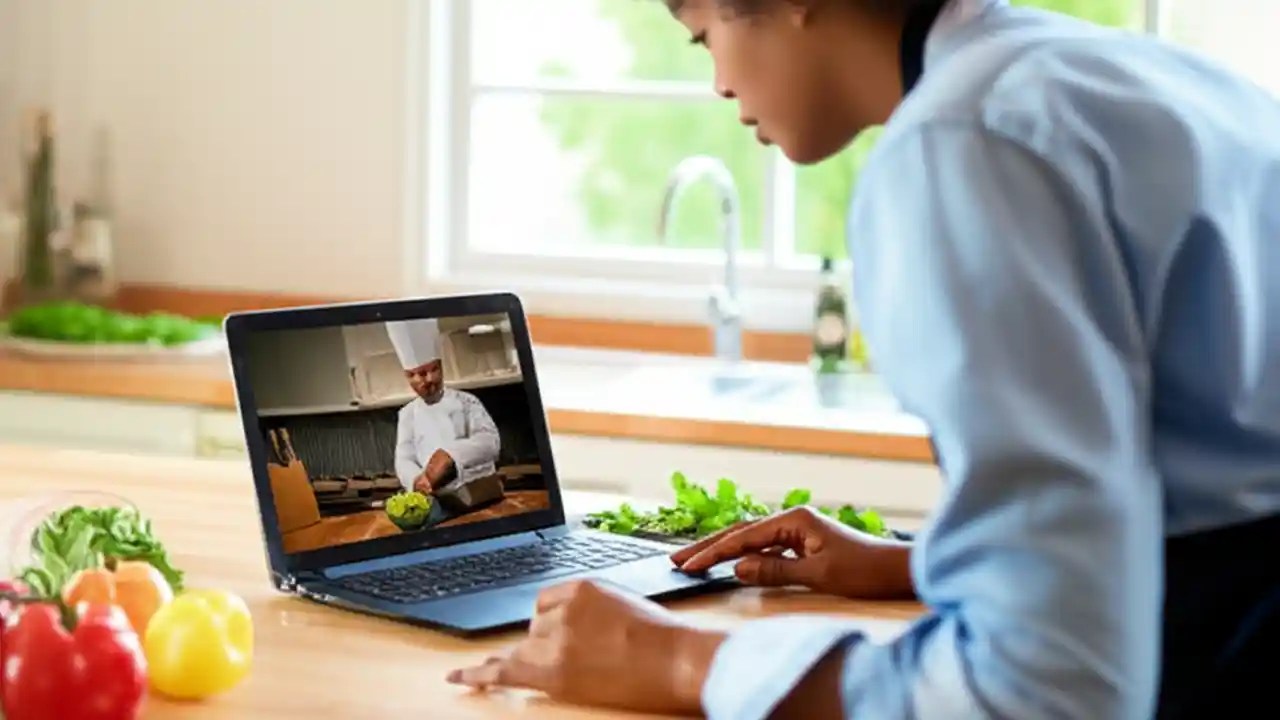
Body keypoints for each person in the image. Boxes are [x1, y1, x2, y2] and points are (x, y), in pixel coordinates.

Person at [448, 0, 1280, 718]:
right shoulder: (1131, 78)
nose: (718, 85)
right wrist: (920, 563)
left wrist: (676, 661)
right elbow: (1213, 486)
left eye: (703, 35)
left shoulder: (962, 143)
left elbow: (1045, 690)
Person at [385, 319, 501, 495]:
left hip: (478, 492)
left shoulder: (467, 401)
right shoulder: (407, 414)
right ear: (408, 377)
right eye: (421, 374)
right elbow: (404, 459)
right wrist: (416, 480)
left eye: (435, 369)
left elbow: (490, 442)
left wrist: (451, 456)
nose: (430, 379)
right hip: (436, 498)